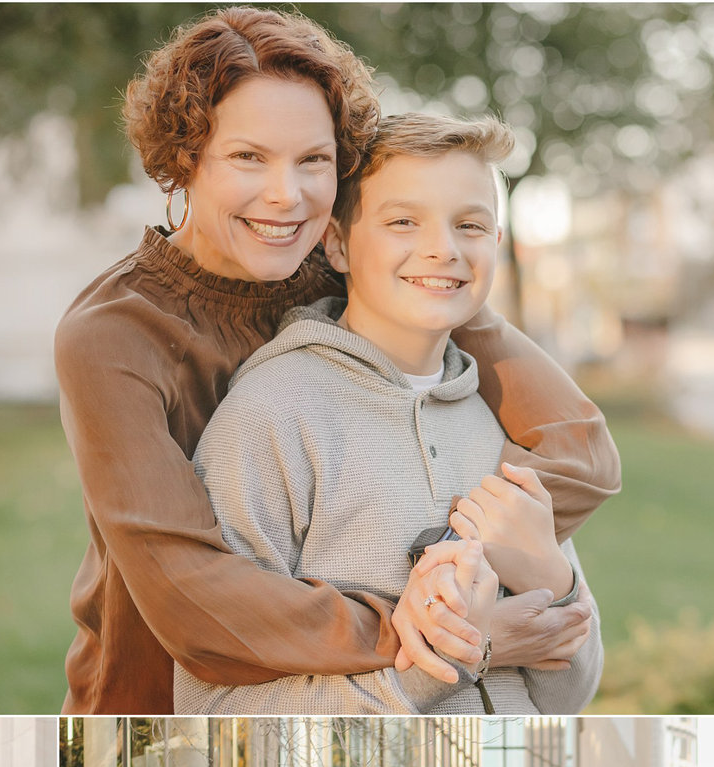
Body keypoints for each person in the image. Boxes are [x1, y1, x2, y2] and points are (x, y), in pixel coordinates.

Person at [55, 5, 617, 713]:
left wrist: (523, 568)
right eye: (248, 157)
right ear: (184, 155)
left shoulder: (361, 272)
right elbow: (191, 600)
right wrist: (454, 635)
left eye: (314, 160)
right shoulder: (112, 337)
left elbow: (581, 451)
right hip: (157, 700)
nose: (287, 196)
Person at [176, 113, 603, 715]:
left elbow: (571, 690)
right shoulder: (270, 416)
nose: (444, 249)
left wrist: (549, 576)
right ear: (338, 243)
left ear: (497, 245)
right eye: (404, 221)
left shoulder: (501, 417)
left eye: (471, 224)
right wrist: (445, 659)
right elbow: (209, 708)